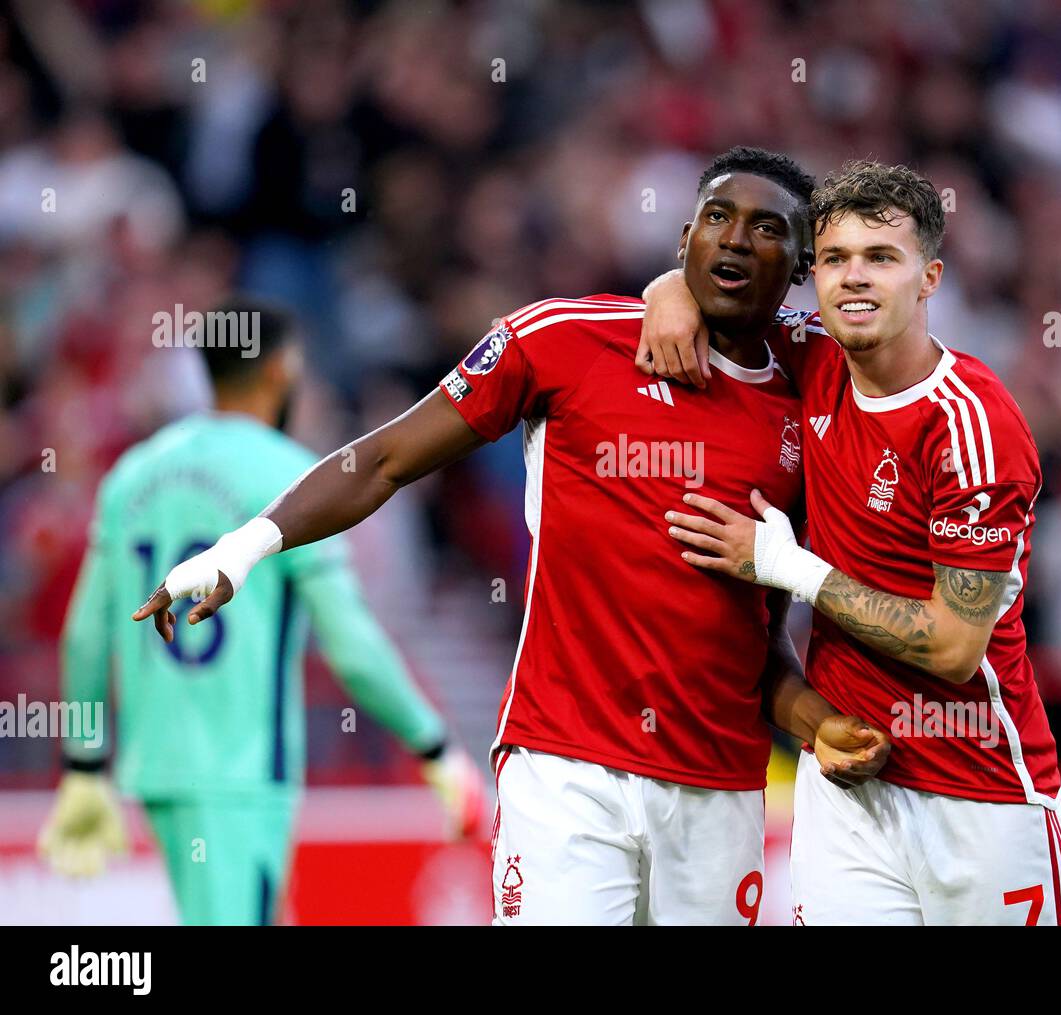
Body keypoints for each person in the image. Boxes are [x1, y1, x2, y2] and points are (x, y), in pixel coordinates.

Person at [132, 148, 893, 926]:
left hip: (720, 788)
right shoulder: (563, 341)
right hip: (566, 769)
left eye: (767, 229)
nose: (734, 240)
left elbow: (749, 631)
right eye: (717, 219)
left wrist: (813, 722)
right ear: (683, 238)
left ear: (801, 265)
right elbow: (385, 458)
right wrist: (245, 547)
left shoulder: (815, 396)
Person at [637, 160, 1061, 925]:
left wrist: (787, 568)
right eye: (836, 259)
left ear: (929, 277)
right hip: (846, 788)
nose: (855, 279)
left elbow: (952, 647)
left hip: (979, 795)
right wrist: (667, 289)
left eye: (881, 258)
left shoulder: (970, 426)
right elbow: (718, 284)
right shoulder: (810, 355)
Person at [41, 298, 478, 925]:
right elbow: (350, 641)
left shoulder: (132, 474)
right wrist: (434, 748)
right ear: (282, 371)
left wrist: (84, 765)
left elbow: (85, 635)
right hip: (238, 776)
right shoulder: (291, 481)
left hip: (159, 766)